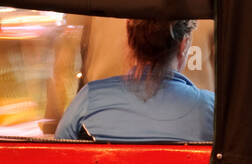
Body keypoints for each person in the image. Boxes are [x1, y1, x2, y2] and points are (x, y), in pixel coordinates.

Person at [55, 18, 214, 142]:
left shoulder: (88, 100)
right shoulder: (209, 108)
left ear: (130, 41)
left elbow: (58, 158)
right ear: (183, 46)